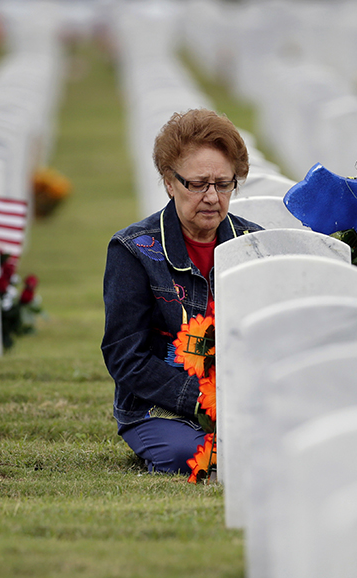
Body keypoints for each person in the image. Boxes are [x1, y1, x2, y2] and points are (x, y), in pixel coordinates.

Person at [101, 109, 264, 473]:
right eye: (198, 183)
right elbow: (124, 356)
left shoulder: (255, 244)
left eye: (223, 184)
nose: (211, 197)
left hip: (244, 399)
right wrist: (203, 399)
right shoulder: (134, 251)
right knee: (186, 457)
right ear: (169, 182)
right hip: (160, 404)